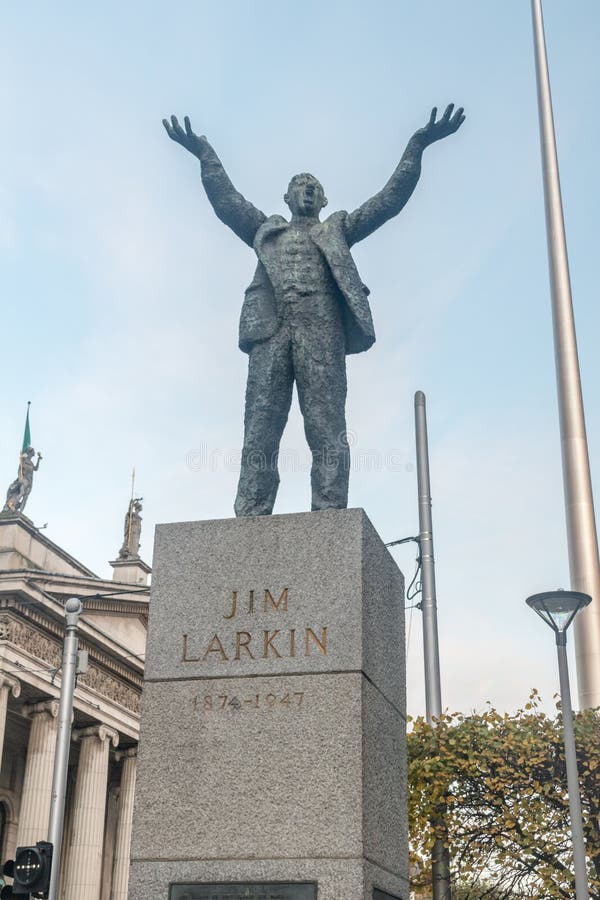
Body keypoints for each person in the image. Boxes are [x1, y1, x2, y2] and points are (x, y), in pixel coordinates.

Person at [163, 105, 465, 516]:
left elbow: (387, 202)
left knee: (326, 424)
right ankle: (252, 508)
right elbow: (227, 202)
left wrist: (416, 147)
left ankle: (329, 510)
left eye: (313, 187)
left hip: (321, 330)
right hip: (270, 330)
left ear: (323, 200)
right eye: (299, 186)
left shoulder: (336, 228)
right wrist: (205, 155)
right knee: (260, 425)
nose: (306, 190)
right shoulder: (266, 230)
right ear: (286, 198)